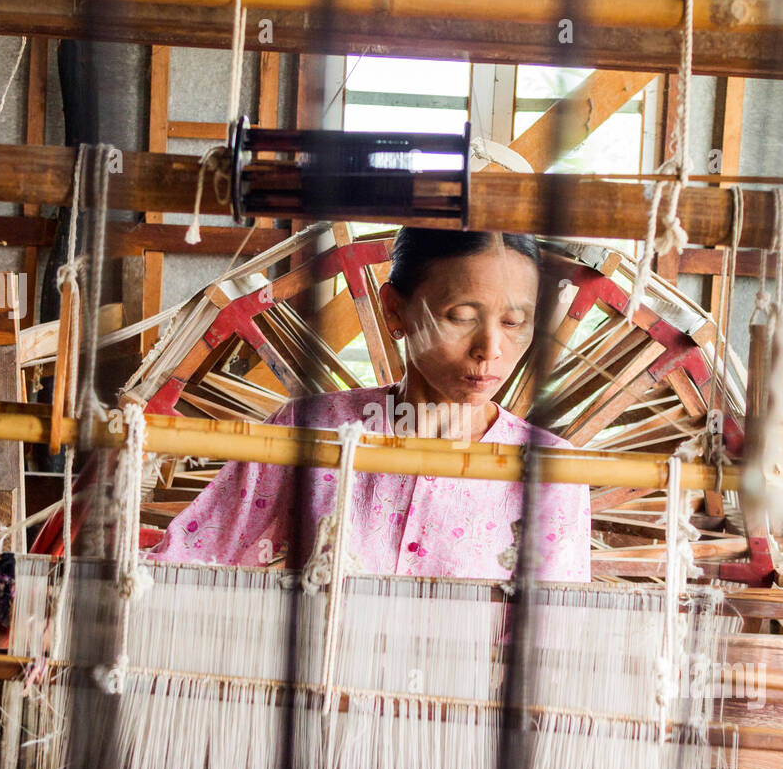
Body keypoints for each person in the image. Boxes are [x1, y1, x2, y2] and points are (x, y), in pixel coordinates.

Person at [150, 228, 591, 582]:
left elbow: (556, 641)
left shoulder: (552, 471)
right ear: (394, 311)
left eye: (514, 322)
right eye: (461, 317)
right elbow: (189, 562)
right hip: (321, 690)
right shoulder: (310, 430)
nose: (491, 348)